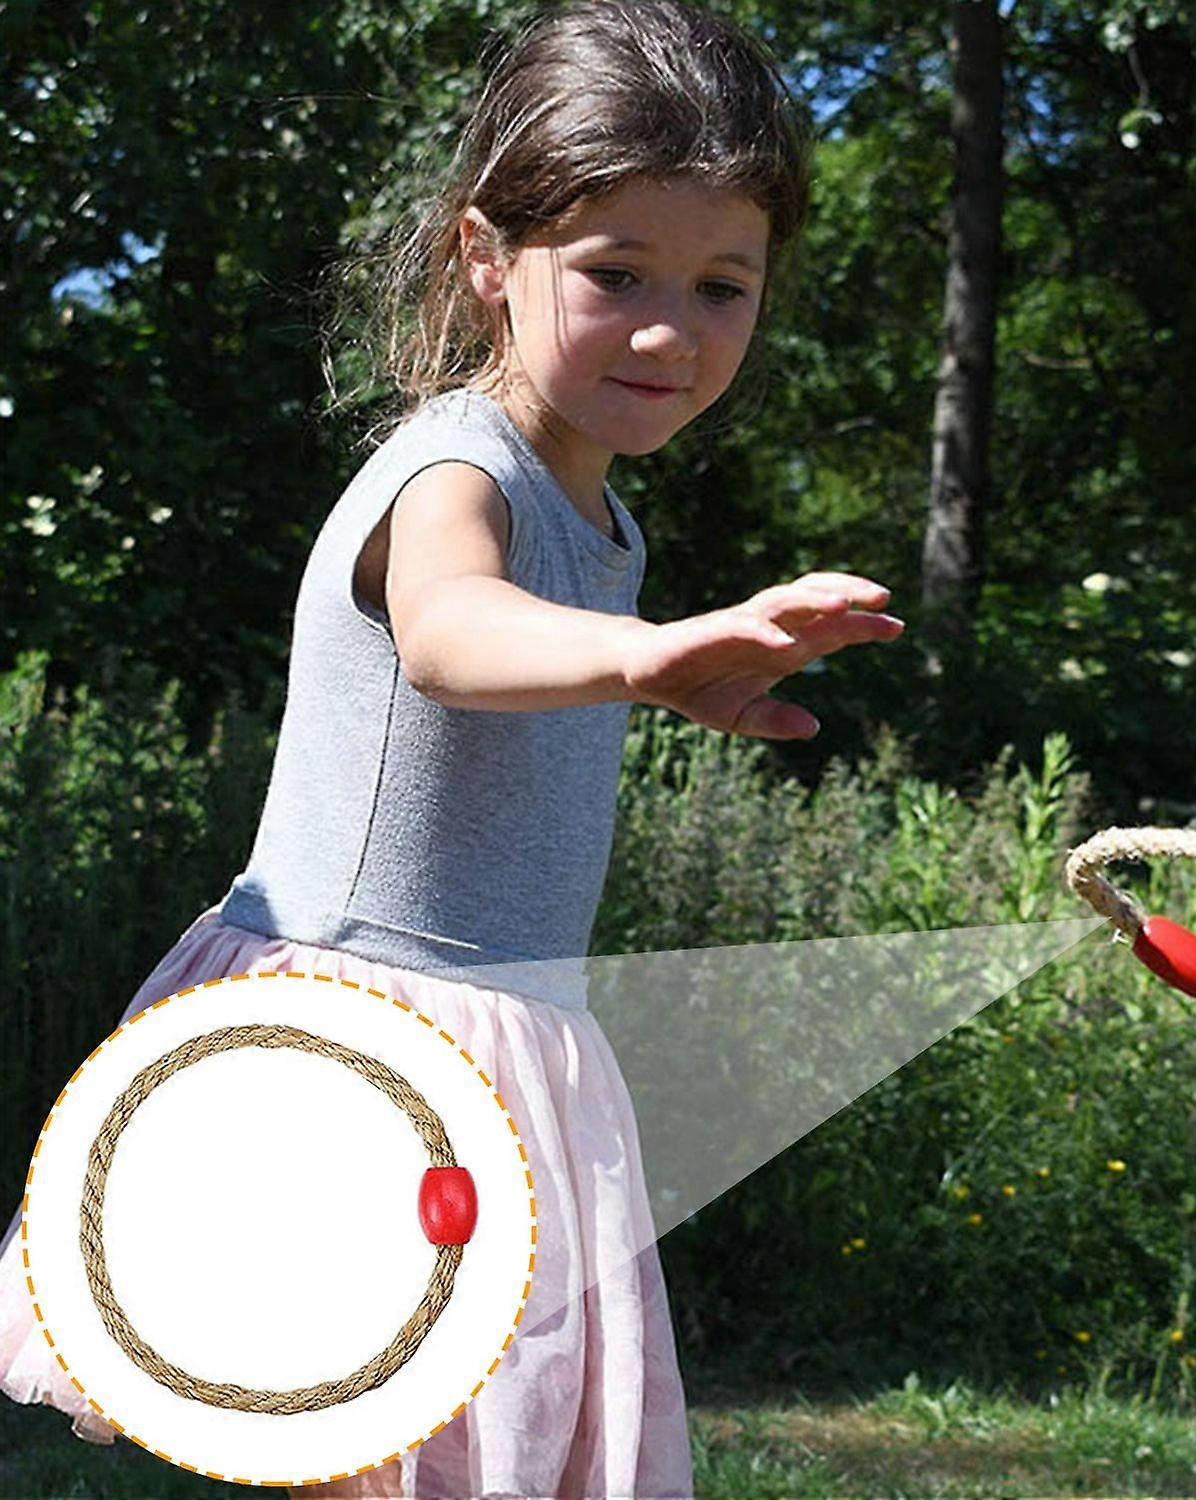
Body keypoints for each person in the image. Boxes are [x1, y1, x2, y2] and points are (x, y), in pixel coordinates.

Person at [0, 2, 903, 1495]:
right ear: (487, 258)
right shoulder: (453, 464)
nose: (672, 329)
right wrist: (650, 658)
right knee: (382, 1446)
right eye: (615, 275)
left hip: (508, 1041)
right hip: (363, 1033)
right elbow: (451, 629)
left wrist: (652, 663)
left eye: (723, 286)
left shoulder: (607, 518)